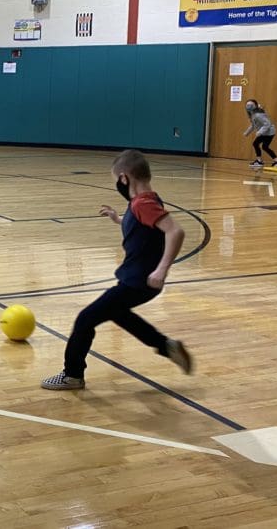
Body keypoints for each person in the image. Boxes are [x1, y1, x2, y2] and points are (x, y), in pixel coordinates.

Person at [41, 149, 192, 390]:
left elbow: (176, 231)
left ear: (124, 178)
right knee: (119, 313)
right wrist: (118, 219)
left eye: (116, 180)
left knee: (85, 320)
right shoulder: (146, 200)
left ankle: (72, 375)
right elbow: (144, 224)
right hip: (139, 280)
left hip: (139, 281)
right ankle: (167, 347)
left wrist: (162, 270)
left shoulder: (143, 203)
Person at [243, 99, 277, 168]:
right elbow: (253, 125)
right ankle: (259, 161)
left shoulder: (258, 115)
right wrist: (247, 132)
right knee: (255, 144)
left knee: (264, 147)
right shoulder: (252, 114)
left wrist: (260, 132)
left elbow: (267, 124)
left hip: (269, 132)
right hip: (264, 132)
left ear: (255, 106)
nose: (249, 106)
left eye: (251, 105)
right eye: (247, 105)